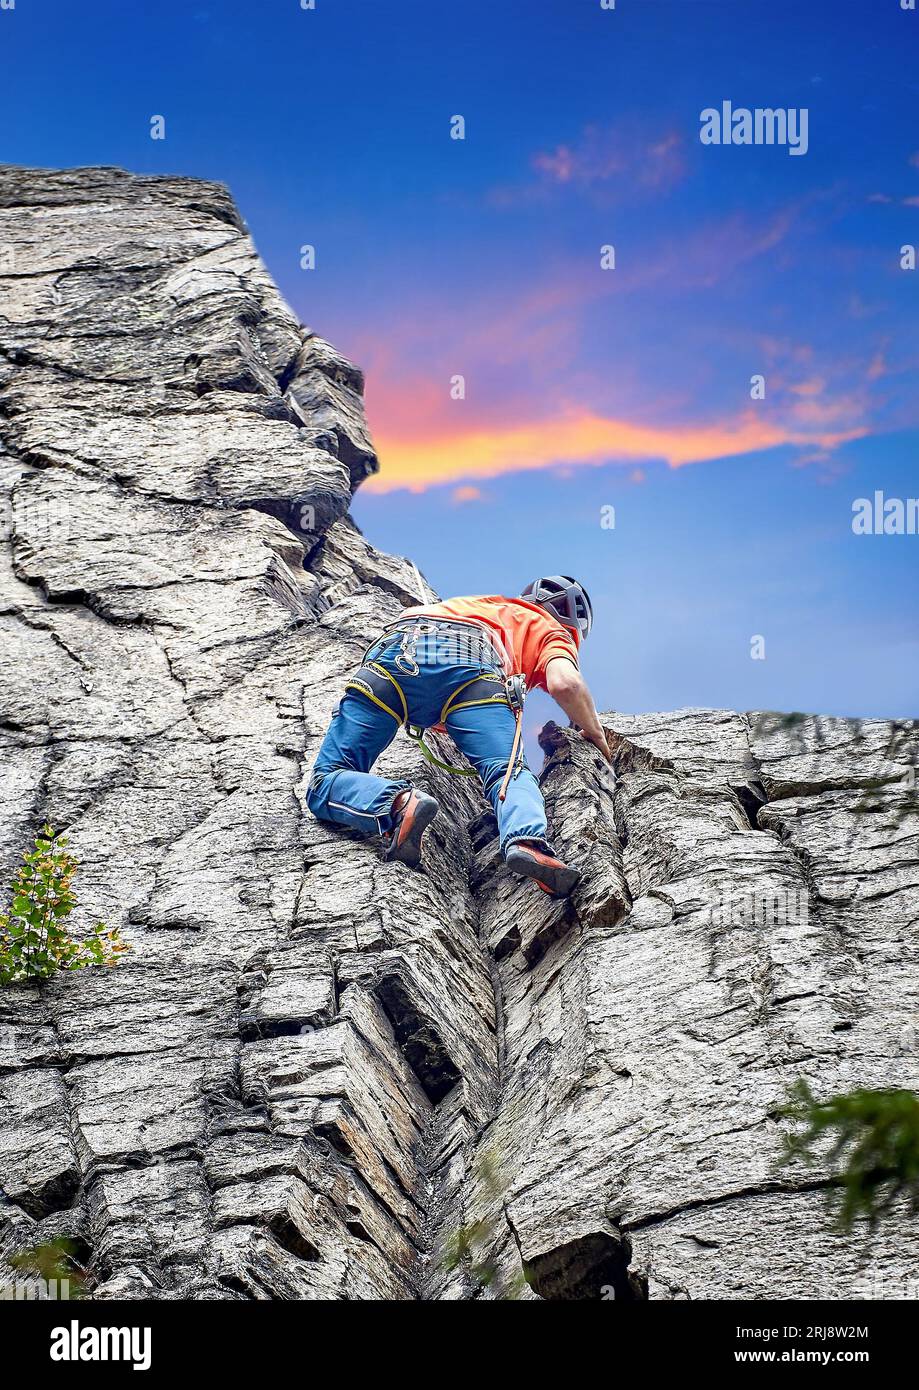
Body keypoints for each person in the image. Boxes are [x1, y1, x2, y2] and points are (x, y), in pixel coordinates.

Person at [306, 576, 610, 896]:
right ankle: (526, 841)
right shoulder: (550, 629)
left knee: (328, 778)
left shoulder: (479, 603)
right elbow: (567, 684)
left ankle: (399, 805)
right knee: (506, 770)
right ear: (575, 628)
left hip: (395, 653)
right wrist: (595, 734)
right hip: (473, 670)